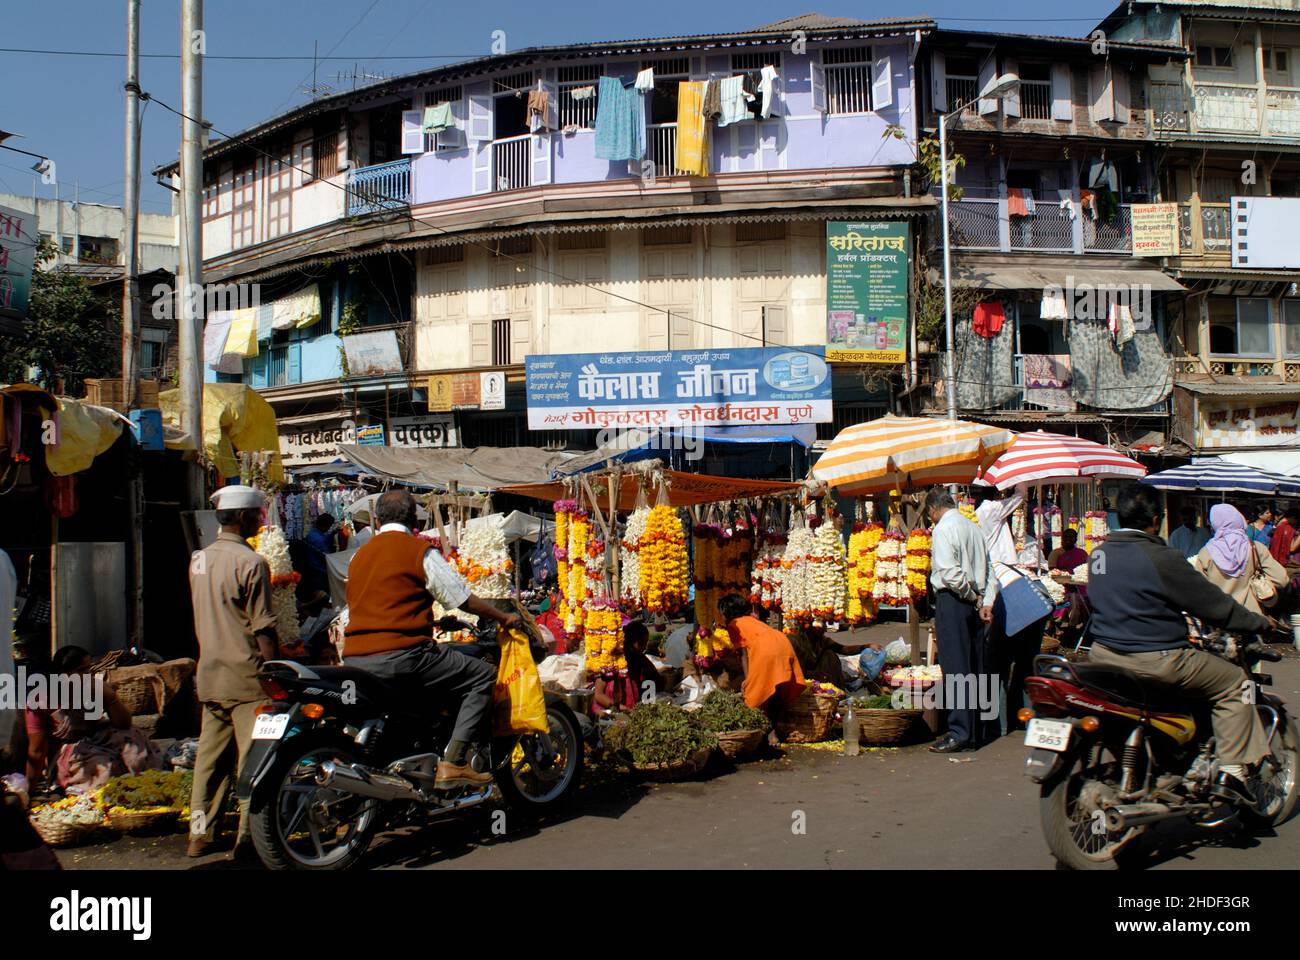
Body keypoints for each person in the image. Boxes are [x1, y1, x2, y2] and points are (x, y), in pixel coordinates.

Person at [1088, 483, 1274, 803]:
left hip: (1103, 656)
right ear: (1157, 518)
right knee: (1235, 683)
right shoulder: (1159, 557)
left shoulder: (1099, 554)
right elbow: (1213, 604)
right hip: (1157, 659)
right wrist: (1258, 623)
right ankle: (1232, 770)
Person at [343, 490, 521, 790]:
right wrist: (502, 616)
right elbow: (460, 597)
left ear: (376, 520)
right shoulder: (418, 552)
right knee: (481, 676)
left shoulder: (359, 557)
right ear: (414, 520)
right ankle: (454, 762)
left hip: (355, 660)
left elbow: (376, 603)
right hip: (403, 656)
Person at [188, 484, 280, 860]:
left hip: (210, 674)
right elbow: (263, 628)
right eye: (258, 515)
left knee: (208, 763)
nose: (261, 520)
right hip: (247, 678)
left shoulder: (198, 559)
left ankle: (199, 835)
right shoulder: (252, 563)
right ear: (243, 517)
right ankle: (247, 839)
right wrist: (274, 673)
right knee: (253, 761)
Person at [24, 645, 165, 794]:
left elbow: (123, 723)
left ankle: (147, 782)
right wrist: (29, 791)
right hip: (71, 753)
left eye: (89, 669)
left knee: (132, 740)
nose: (88, 675)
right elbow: (37, 751)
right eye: (81, 670)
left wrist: (110, 697)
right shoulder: (41, 701)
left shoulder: (92, 689)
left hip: (99, 739)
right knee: (105, 767)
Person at [924, 487, 997, 753]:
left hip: (955, 602)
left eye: (928, 514)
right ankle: (976, 731)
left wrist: (971, 597)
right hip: (974, 603)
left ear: (933, 509)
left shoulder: (943, 529)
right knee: (974, 666)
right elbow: (991, 571)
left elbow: (951, 574)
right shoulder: (974, 528)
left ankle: (959, 733)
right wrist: (984, 600)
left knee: (956, 668)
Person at [719, 593, 806, 746]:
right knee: (774, 691)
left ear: (725, 611)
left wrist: (748, 679)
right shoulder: (752, 620)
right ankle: (774, 732)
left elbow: (744, 654)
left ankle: (768, 734)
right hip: (782, 644)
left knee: (756, 694)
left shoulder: (734, 625)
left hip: (766, 650)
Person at [1193, 504, 1287, 618]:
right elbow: (1282, 579)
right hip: (1252, 619)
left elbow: (1198, 591)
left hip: (1220, 619)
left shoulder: (1206, 553)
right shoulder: (1256, 548)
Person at [303, 513, 337, 595]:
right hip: (319, 571)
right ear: (326, 526)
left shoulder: (313, 533)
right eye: (329, 526)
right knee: (322, 594)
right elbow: (326, 555)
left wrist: (332, 534)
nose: (329, 528)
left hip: (313, 569)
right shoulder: (318, 539)